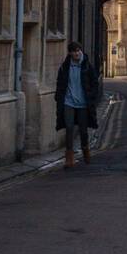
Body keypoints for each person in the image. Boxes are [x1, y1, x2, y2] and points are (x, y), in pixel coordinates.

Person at [55, 41, 98, 169]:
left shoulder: (87, 66)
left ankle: (85, 148)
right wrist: (58, 97)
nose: (77, 53)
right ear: (70, 53)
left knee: (83, 130)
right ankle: (69, 157)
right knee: (69, 127)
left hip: (83, 103)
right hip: (68, 102)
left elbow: (94, 83)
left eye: (79, 50)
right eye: (74, 51)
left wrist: (91, 96)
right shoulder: (64, 67)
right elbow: (60, 83)